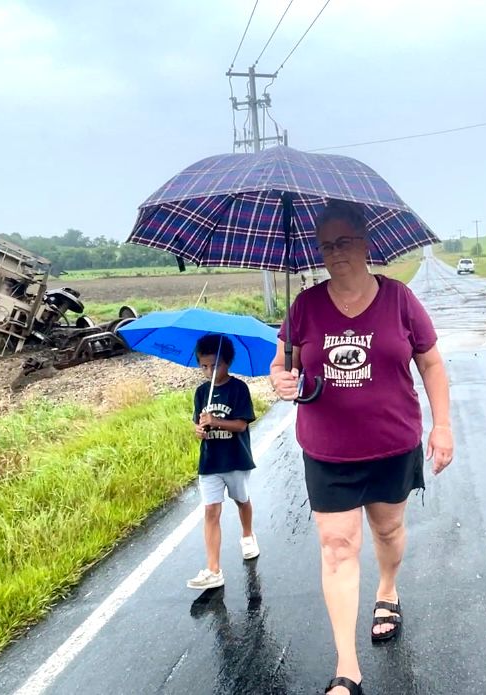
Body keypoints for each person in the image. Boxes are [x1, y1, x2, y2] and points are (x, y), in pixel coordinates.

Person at [269, 200, 454, 695]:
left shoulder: (399, 300)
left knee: (388, 529)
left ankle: (387, 589)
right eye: (326, 245)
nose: (335, 253)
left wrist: (442, 427)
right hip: (328, 451)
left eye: (344, 241)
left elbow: (431, 364)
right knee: (337, 546)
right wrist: (280, 378)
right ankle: (347, 667)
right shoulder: (304, 306)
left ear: (366, 242)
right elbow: (282, 364)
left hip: (393, 444)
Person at [186, 333, 260, 591]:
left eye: (215, 365)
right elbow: (198, 424)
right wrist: (199, 430)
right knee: (211, 510)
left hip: (236, 458)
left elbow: (241, 425)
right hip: (210, 461)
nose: (209, 371)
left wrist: (215, 421)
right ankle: (213, 570)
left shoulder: (239, 389)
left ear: (228, 362)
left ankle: (248, 534)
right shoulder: (201, 393)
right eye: (204, 366)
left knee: (241, 500)